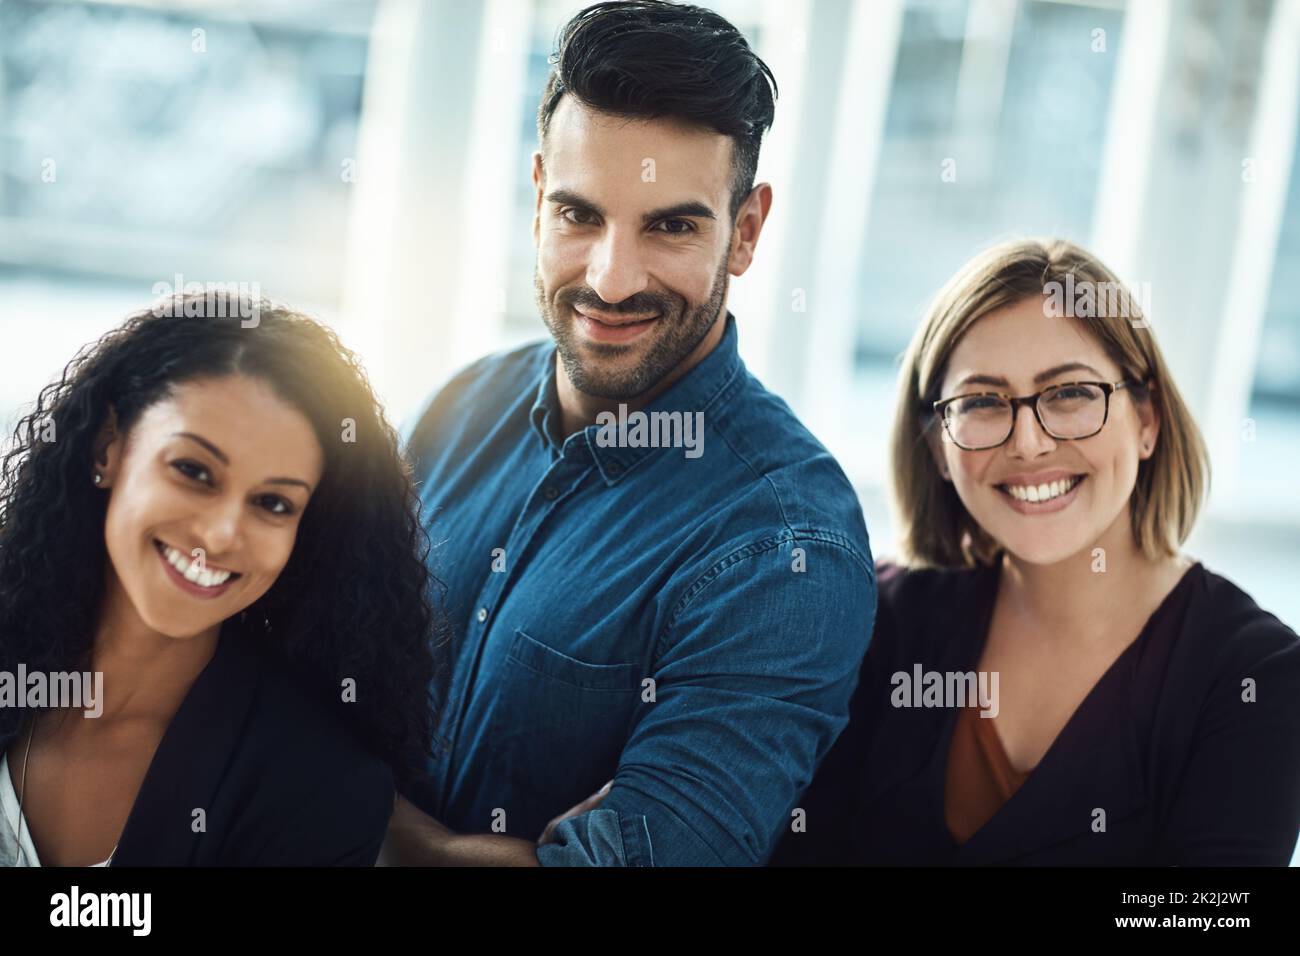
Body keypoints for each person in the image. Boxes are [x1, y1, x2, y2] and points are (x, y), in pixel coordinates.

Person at [383, 0, 876, 866]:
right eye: (580, 215)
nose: (612, 280)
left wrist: (342, 815)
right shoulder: (459, 405)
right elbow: (284, 687)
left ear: (746, 231)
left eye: (671, 225)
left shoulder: (786, 544)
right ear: (538, 199)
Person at [771, 238, 1300, 866]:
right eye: (981, 402)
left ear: (1147, 419)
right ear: (939, 446)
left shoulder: (1254, 676)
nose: (1028, 443)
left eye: (1070, 394)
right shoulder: (880, 618)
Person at [0, 292, 445, 866]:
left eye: (273, 503)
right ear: (108, 446)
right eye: (193, 471)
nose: (219, 535)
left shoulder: (320, 787)